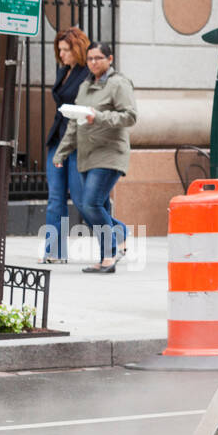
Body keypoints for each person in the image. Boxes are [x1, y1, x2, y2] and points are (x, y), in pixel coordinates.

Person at [54, 43, 136, 273]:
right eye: (90, 59)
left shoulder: (119, 83)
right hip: (87, 154)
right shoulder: (85, 86)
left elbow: (130, 116)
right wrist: (62, 152)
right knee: (97, 207)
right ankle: (108, 253)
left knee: (90, 203)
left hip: (110, 153)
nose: (93, 63)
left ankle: (110, 254)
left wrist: (97, 116)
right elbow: (74, 122)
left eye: (98, 58)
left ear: (109, 59)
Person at [44, 26, 91, 264]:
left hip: (77, 143)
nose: (61, 55)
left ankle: (117, 235)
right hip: (57, 139)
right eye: (59, 50)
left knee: (83, 200)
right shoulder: (65, 71)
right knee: (55, 198)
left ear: (78, 49)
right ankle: (54, 252)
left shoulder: (87, 74)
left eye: (66, 50)